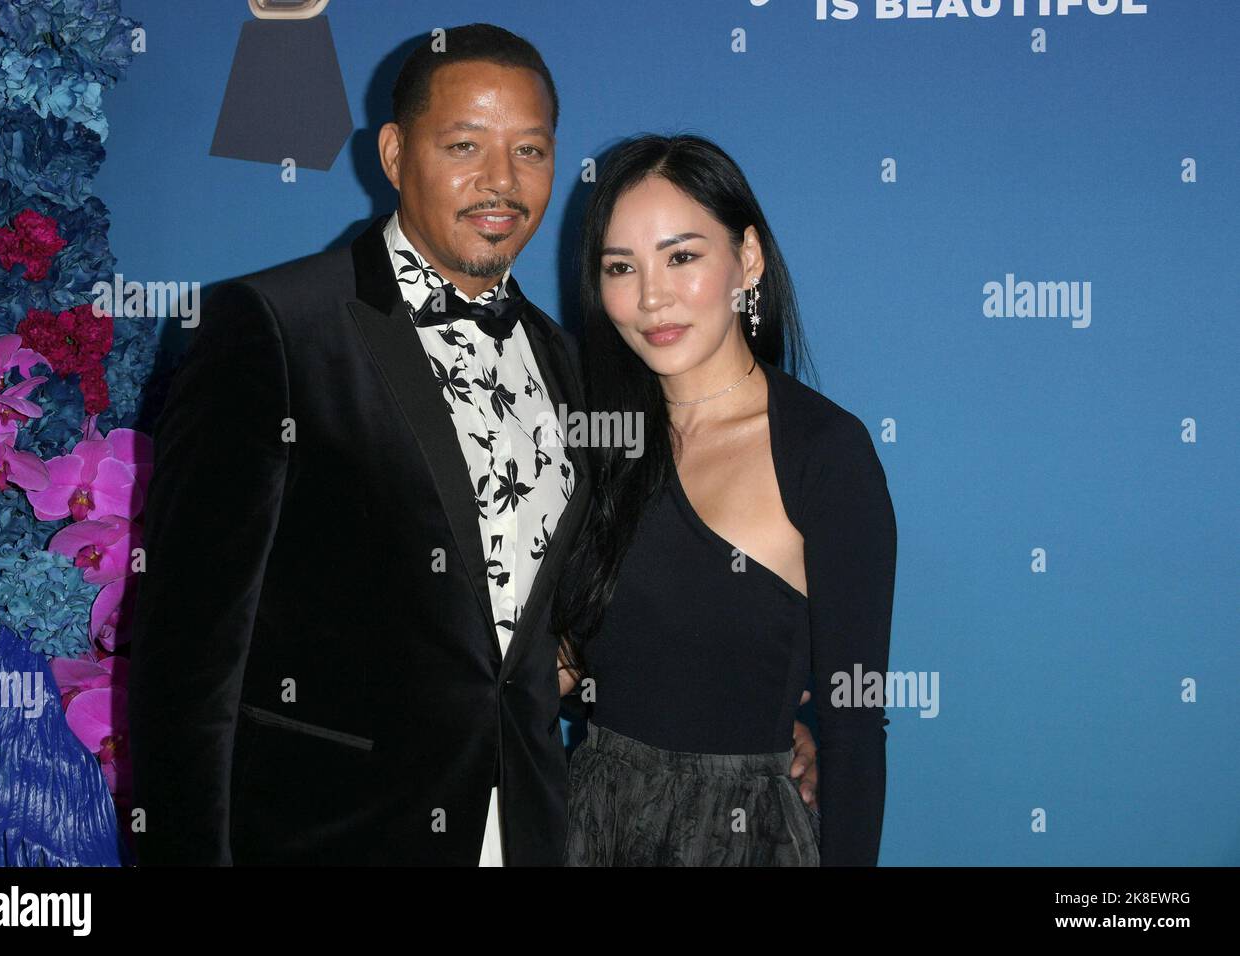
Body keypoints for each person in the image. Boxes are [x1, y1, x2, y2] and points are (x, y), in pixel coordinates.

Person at [128, 24, 820, 866]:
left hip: (531, 829)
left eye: (529, 150)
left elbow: (579, 624)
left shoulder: (569, 363)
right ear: (392, 152)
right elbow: (187, 664)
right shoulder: (272, 329)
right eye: (464, 145)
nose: (501, 181)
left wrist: (743, 722)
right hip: (328, 834)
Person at [553, 134, 897, 866]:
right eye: (622, 267)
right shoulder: (590, 436)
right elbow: (567, 665)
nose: (651, 297)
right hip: (589, 826)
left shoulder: (824, 454)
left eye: (681, 256)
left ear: (746, 259)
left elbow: (855, 727)